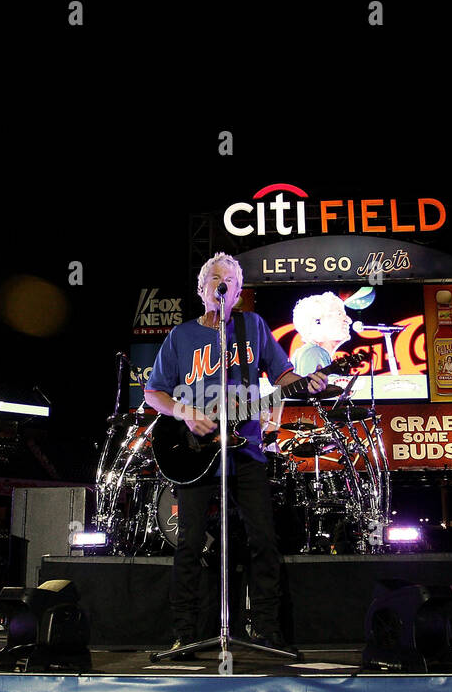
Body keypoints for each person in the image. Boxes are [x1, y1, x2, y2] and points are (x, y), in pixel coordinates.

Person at [144, 252, 327, 656]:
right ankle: (185, 631)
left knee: (263, 539)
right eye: (213, 278)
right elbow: (153, 392)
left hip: (246, 451)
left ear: (239, 292)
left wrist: (308, 382)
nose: (220, 284)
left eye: (228, 279)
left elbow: (282, 376)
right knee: (190, 542)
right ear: (202, 289)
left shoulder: (253, 327)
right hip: (193, 453)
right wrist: (186, 413)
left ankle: (266, 628)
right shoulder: (181, 337)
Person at [291, 291, 353, 376]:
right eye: (339, 314)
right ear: (317, 321)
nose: (349, 320)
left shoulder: (314, 353)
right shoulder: (314, 353)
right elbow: (314, 388)